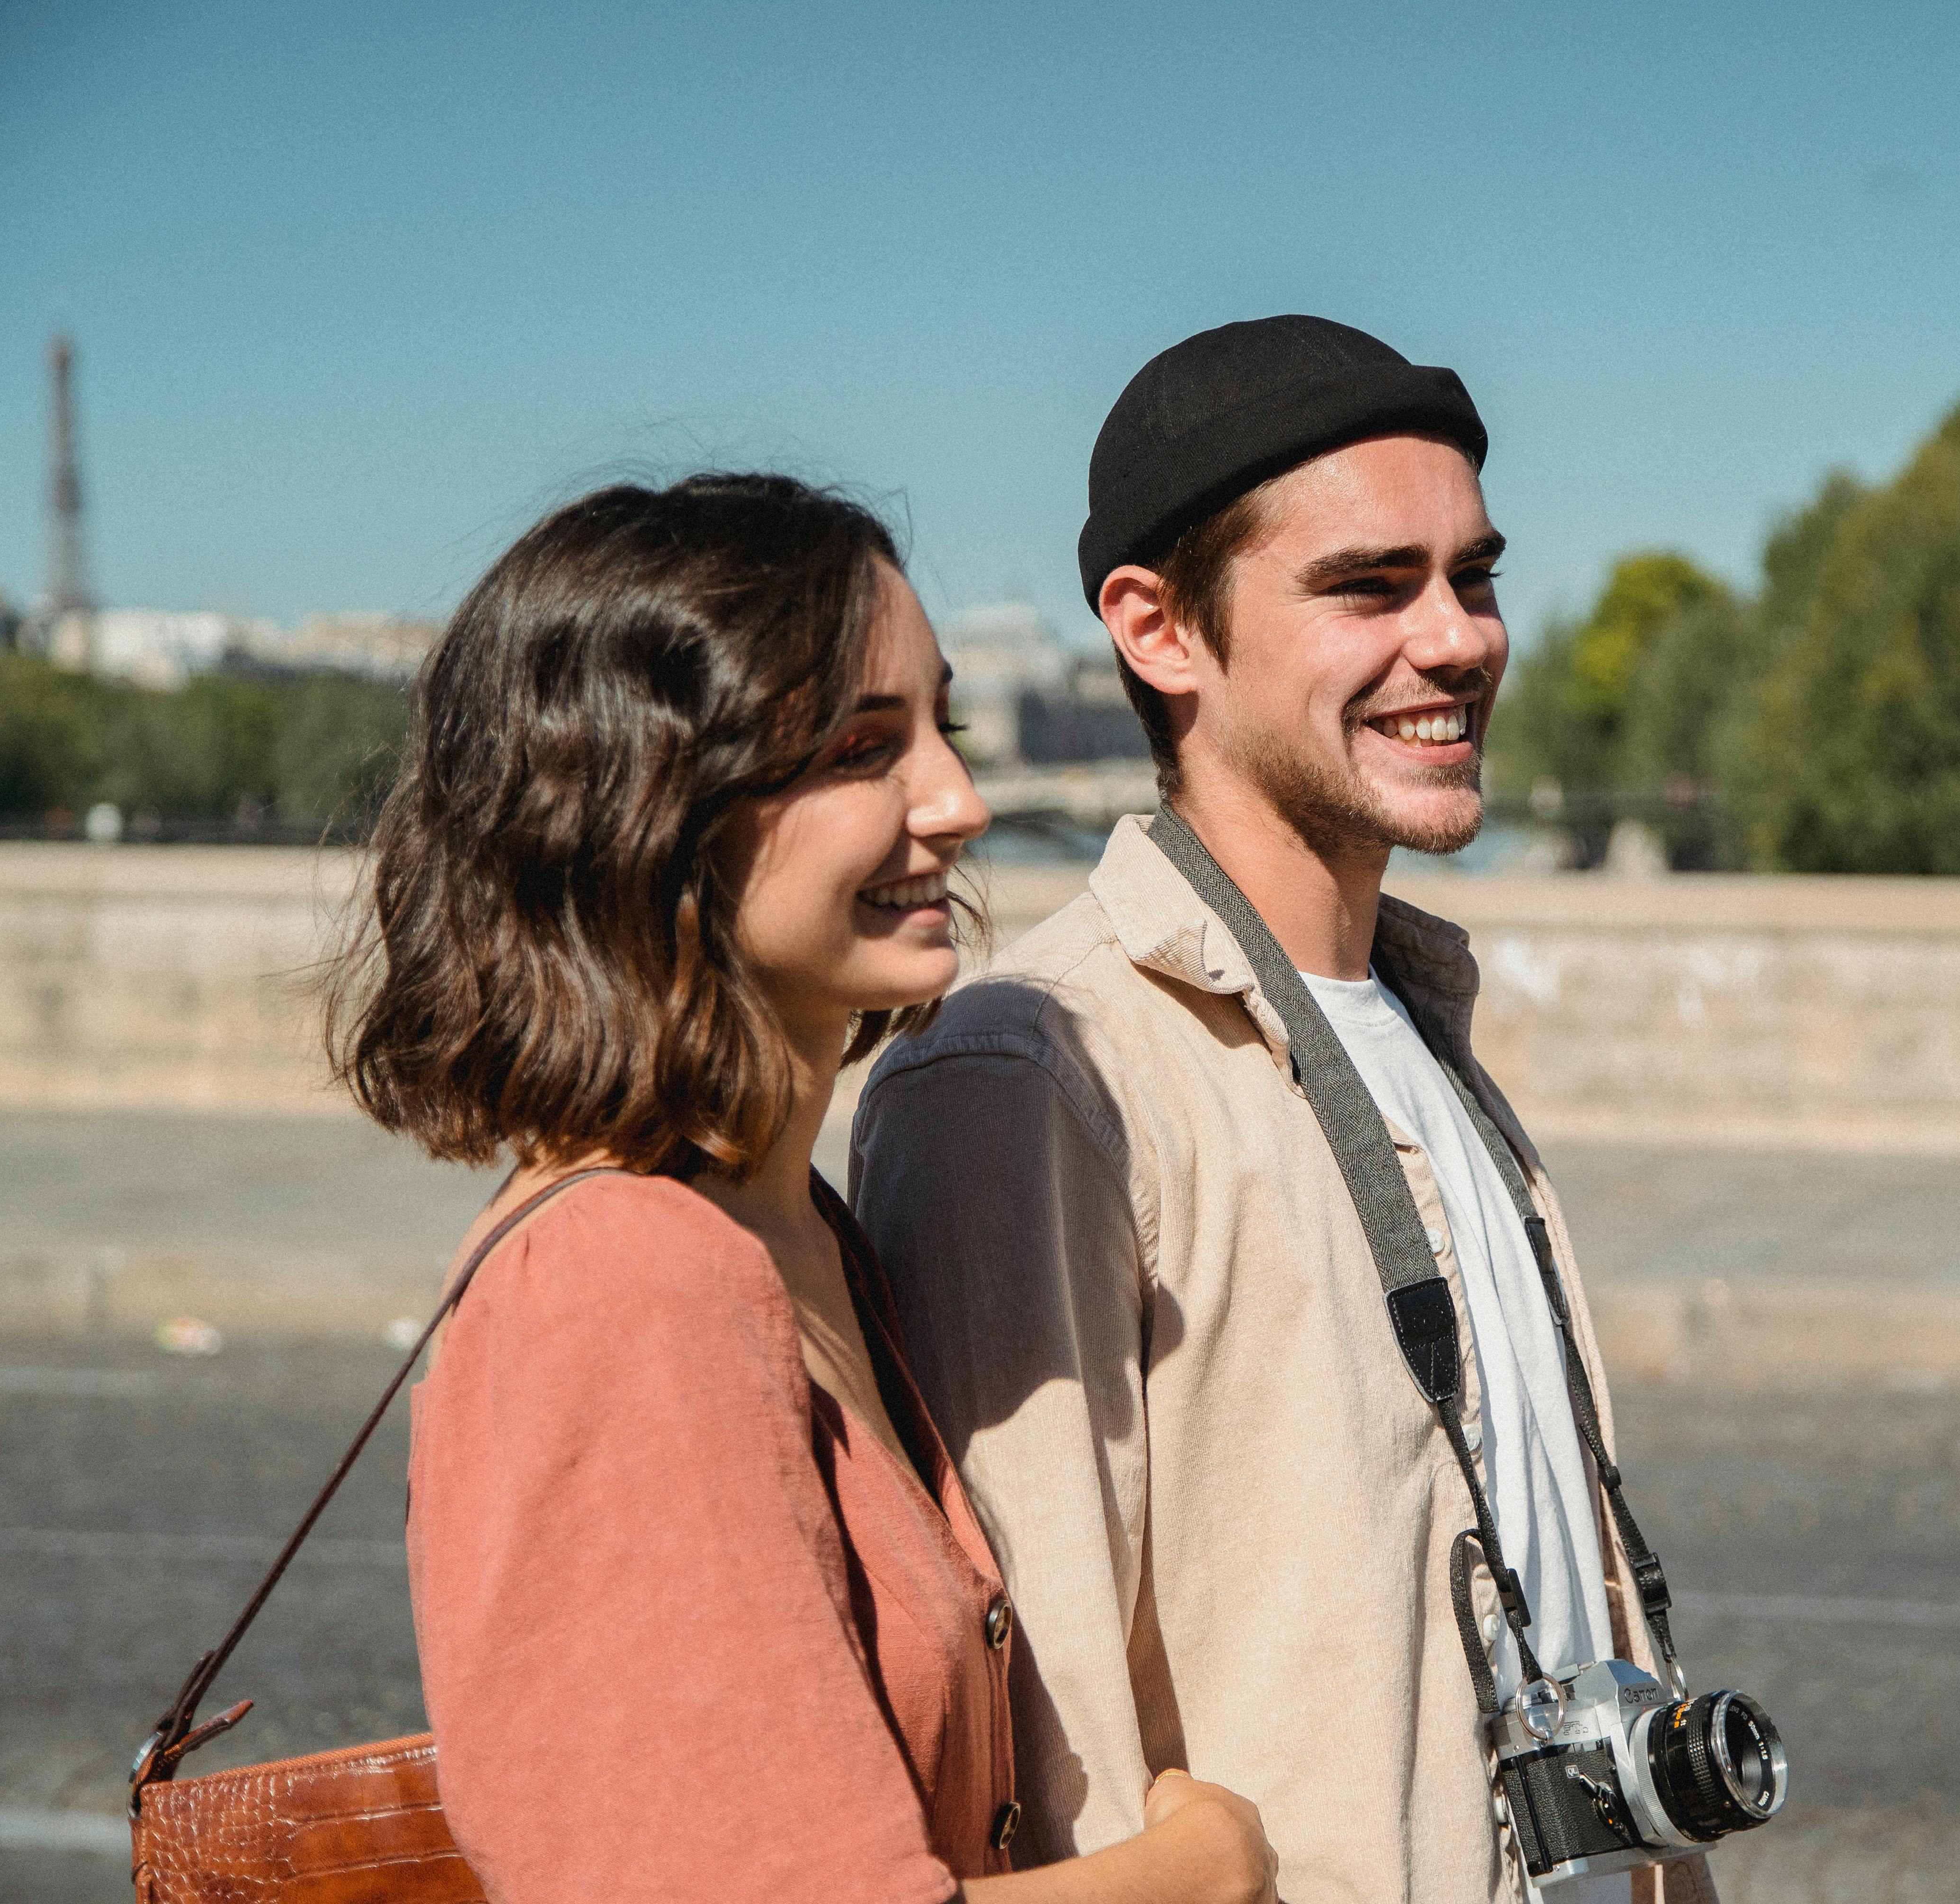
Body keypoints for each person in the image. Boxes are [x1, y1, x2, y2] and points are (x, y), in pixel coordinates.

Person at [850, 320, 1715, 1903]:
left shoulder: (1424, 1029)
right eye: (1370, 588)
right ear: (1159, 630)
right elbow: (1048, 1754)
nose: (1458, 642)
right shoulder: (1036, 1080)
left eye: (1476, 577)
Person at [329, 473, 1279, 1904]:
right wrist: (1200, 1874)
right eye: (861, 746)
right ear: (650, 810)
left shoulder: (797, 1235)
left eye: (941, 728)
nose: (958, 802)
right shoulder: (631, 1280)